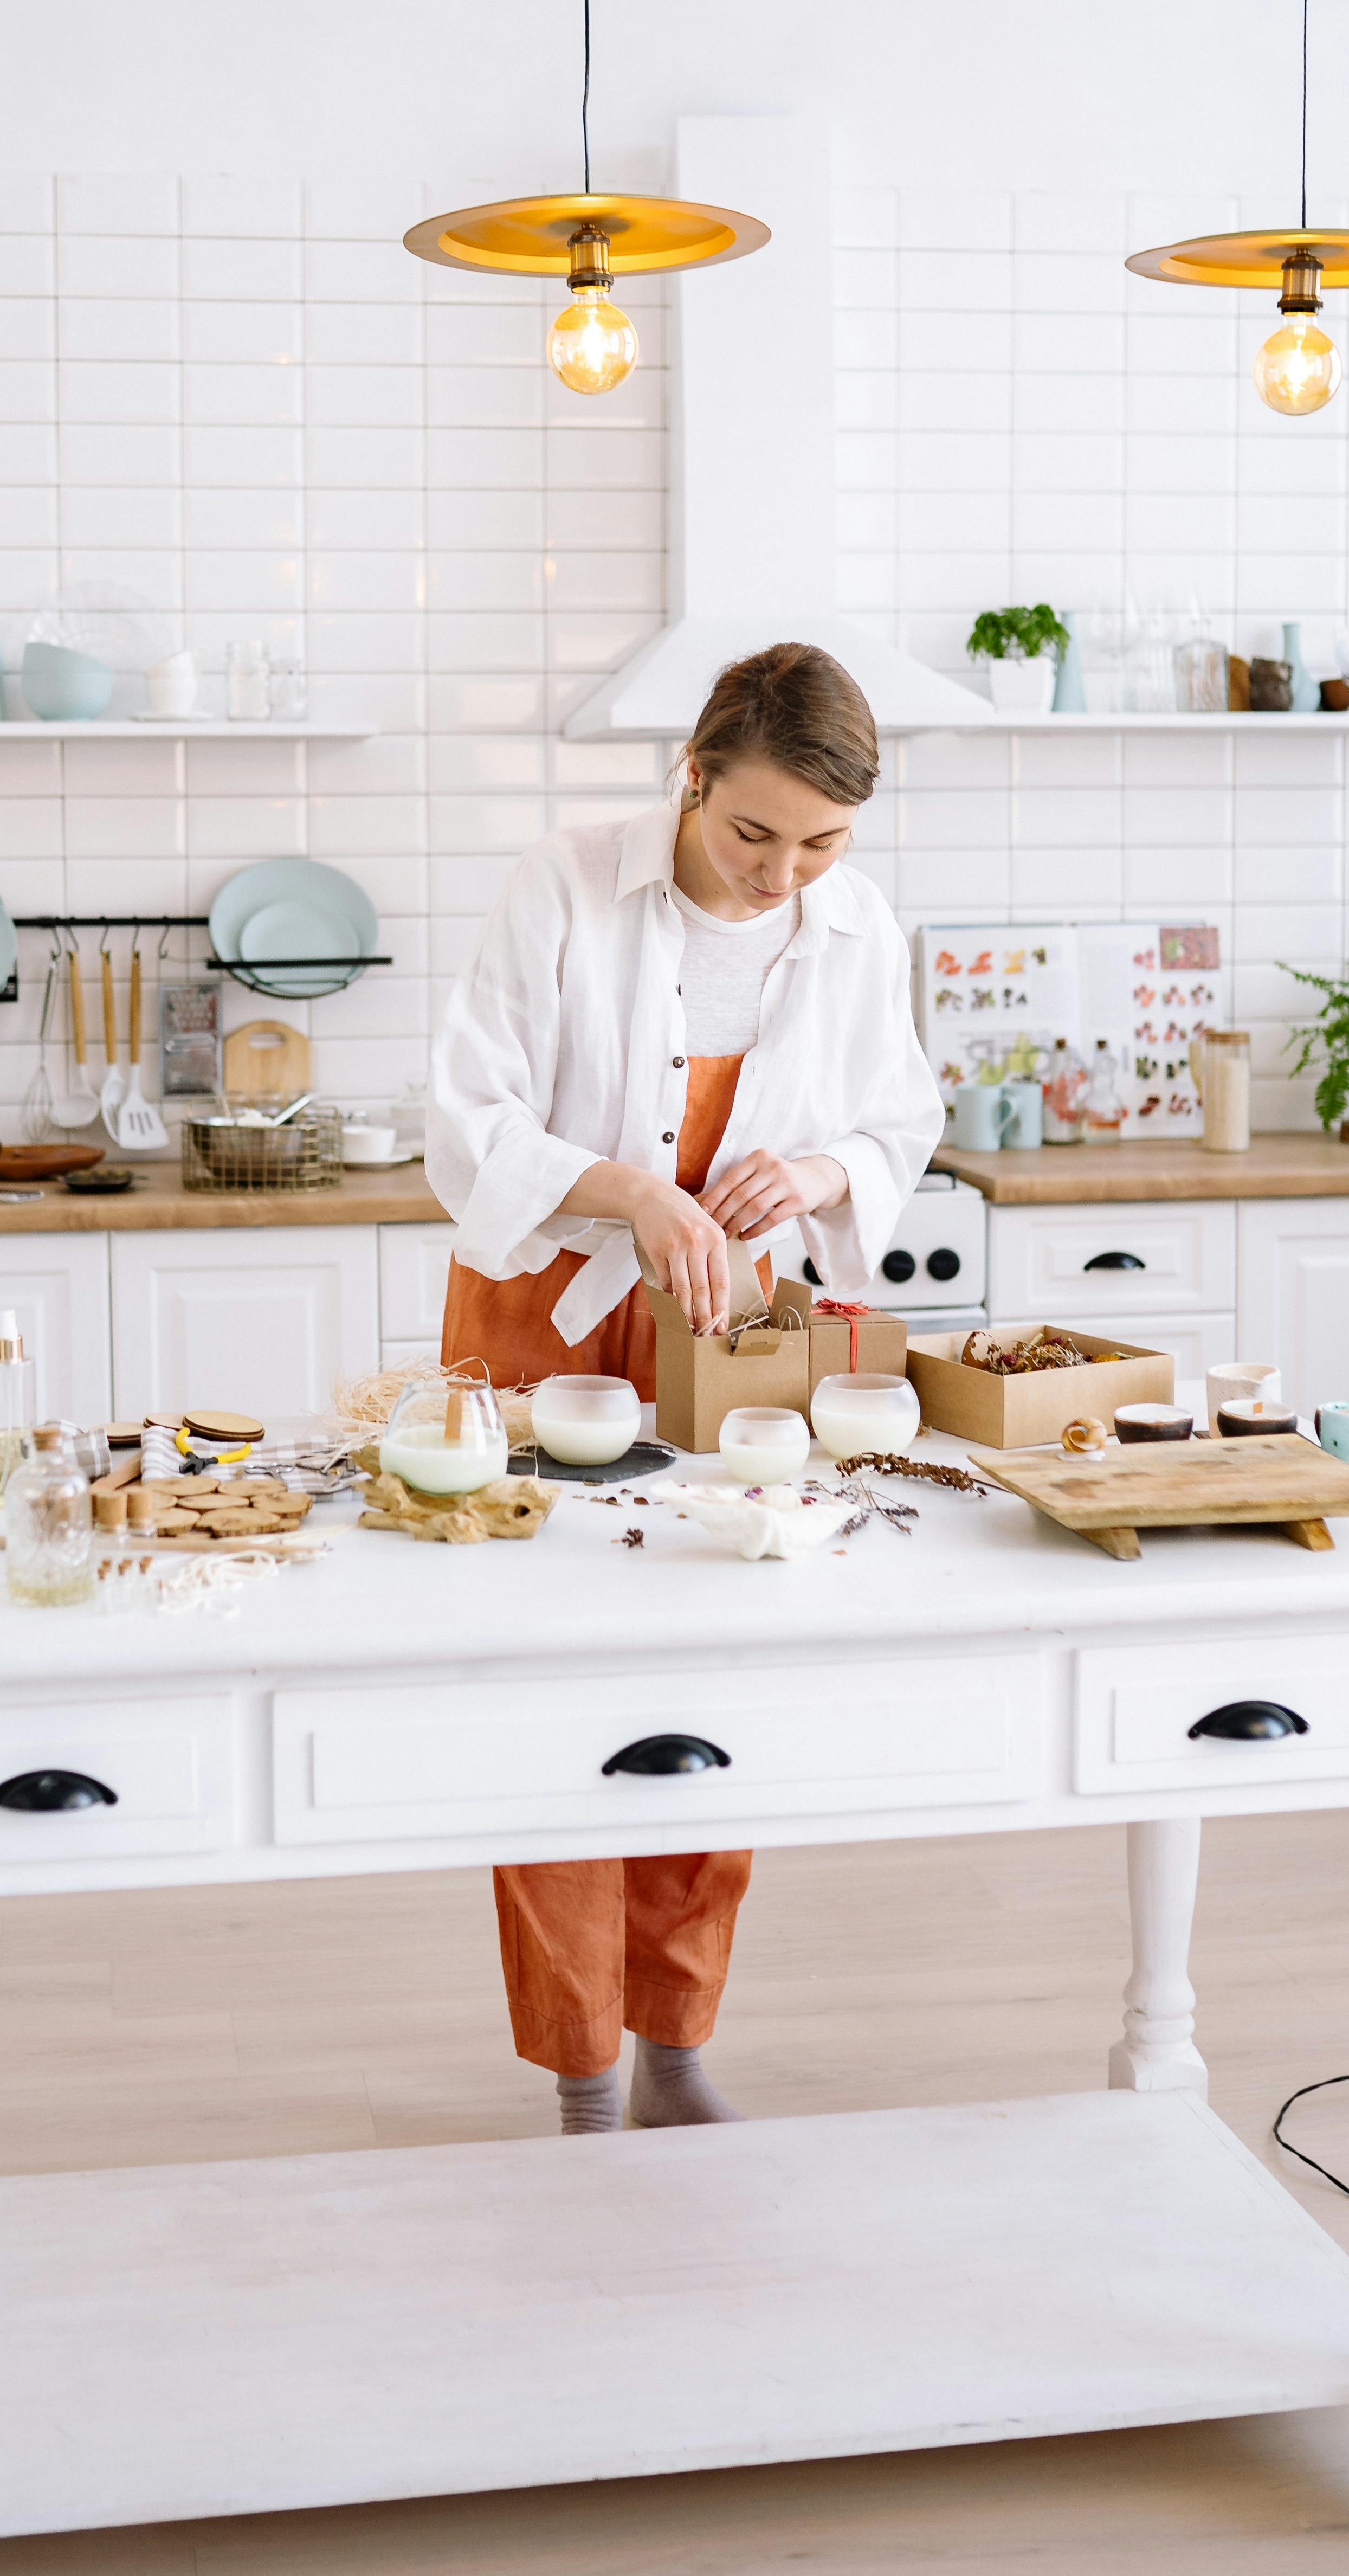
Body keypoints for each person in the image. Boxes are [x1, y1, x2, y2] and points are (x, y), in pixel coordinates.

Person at [427, 642, 943, 2136]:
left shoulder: (855, 927)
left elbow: (902, 1117)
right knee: (556, 1697)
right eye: (755, 832)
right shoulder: (566, 886)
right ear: (694, 775)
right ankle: (588, 2062)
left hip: (728, 1339)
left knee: (714, 1689)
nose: (788, 871)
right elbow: (464, 1124)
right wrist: (630, 1190)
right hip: (546, 1319)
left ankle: (678, 2034)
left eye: (826, 842)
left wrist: (828, 1165)